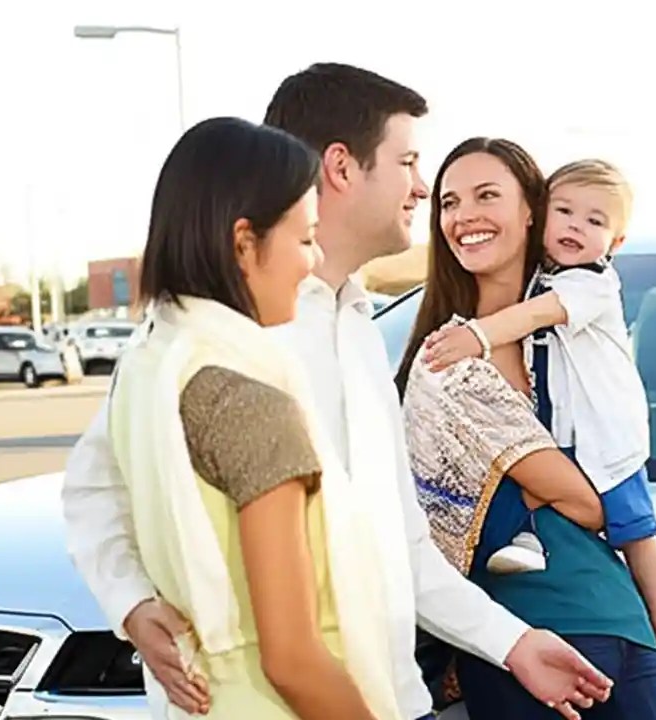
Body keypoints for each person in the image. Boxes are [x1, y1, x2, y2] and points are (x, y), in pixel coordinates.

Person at [62, 64, 611, 720]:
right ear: (343, 167)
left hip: (386, 699)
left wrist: (515, 644)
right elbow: (95, 486)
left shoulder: (358, 329)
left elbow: (400, 547)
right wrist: (130, 603)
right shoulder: (213, 344)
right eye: (407, 161)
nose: (420, 187)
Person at [106, 114, 409, 718]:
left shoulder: (149, 367)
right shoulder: (249, 401)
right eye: (303, 238)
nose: (313, 259)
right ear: (244, 243)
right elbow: (293, 659)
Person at [398, 137, 656, 719]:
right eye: (449, 203)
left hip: (625, 626)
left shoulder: (571, 328)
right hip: (523, 643)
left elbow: (596, 495)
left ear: (532, 208)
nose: (464, 216)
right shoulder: (445, 364)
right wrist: (558, 486)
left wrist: (542, 481)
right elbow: (587, 501)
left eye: (486, 195)